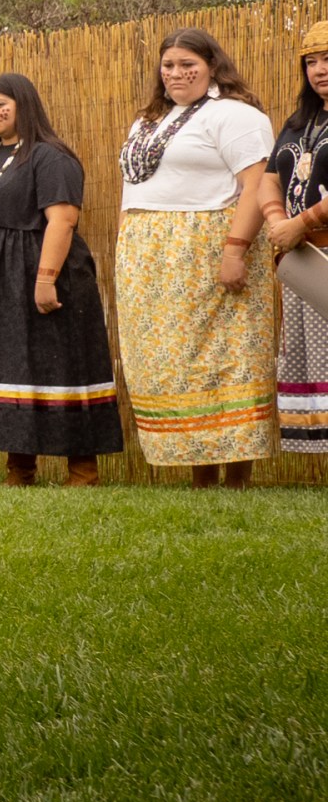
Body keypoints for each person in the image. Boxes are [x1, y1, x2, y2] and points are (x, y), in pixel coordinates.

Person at [114, 28, 277, 485]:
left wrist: (235, 251)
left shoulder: (234, 115)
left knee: (225, 355)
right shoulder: (148, 120)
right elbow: (132, 192)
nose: (177, 73)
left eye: (188, 64)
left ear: (212, 66)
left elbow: (257, 183)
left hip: (207, 244)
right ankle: (200, 477)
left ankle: (237, 478)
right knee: (174, 363)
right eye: (169, 65)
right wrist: (125, 251)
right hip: (150, 255)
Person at [0, 73, 119, 481]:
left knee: (61, 365)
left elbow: (63, 219)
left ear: (25, 104)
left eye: (1, 103)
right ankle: (19, 467)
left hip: (41, 275)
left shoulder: (50, 157)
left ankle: (83, 470)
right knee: (11, 367)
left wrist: (45, 280)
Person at [259, 21, 328, 456]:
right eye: (312, 61)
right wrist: (275, 219)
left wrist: (301, 223)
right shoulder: (300, 121)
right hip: (306, 259)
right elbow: (269, 176)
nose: (320, 69)